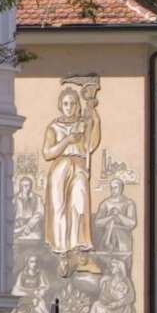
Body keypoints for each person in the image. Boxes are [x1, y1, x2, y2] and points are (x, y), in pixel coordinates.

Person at [42, 85, 99, 252]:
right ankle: (60, 244)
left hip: (79, 165)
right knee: (58, 204)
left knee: (79, 203)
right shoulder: (53, 127)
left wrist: (94, 119)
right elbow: (47, 153)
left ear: (77, 105)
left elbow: (90, 145)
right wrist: (67, 141)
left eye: (73, 103)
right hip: (60, 165)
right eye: (66, 103)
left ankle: (77, 242)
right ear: (61, 105)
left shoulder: (83, 124)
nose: (69, 107)